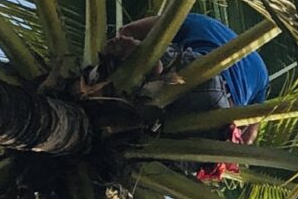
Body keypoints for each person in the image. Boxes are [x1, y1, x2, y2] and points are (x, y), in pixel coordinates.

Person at [104, 11, 269, 181]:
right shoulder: (263, 73)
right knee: (158, 165)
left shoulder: (197, 19)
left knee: (157, 54)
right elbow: (249, 137)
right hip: (217, 117)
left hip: (194, 75)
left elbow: (128, 30)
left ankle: (157, 67)